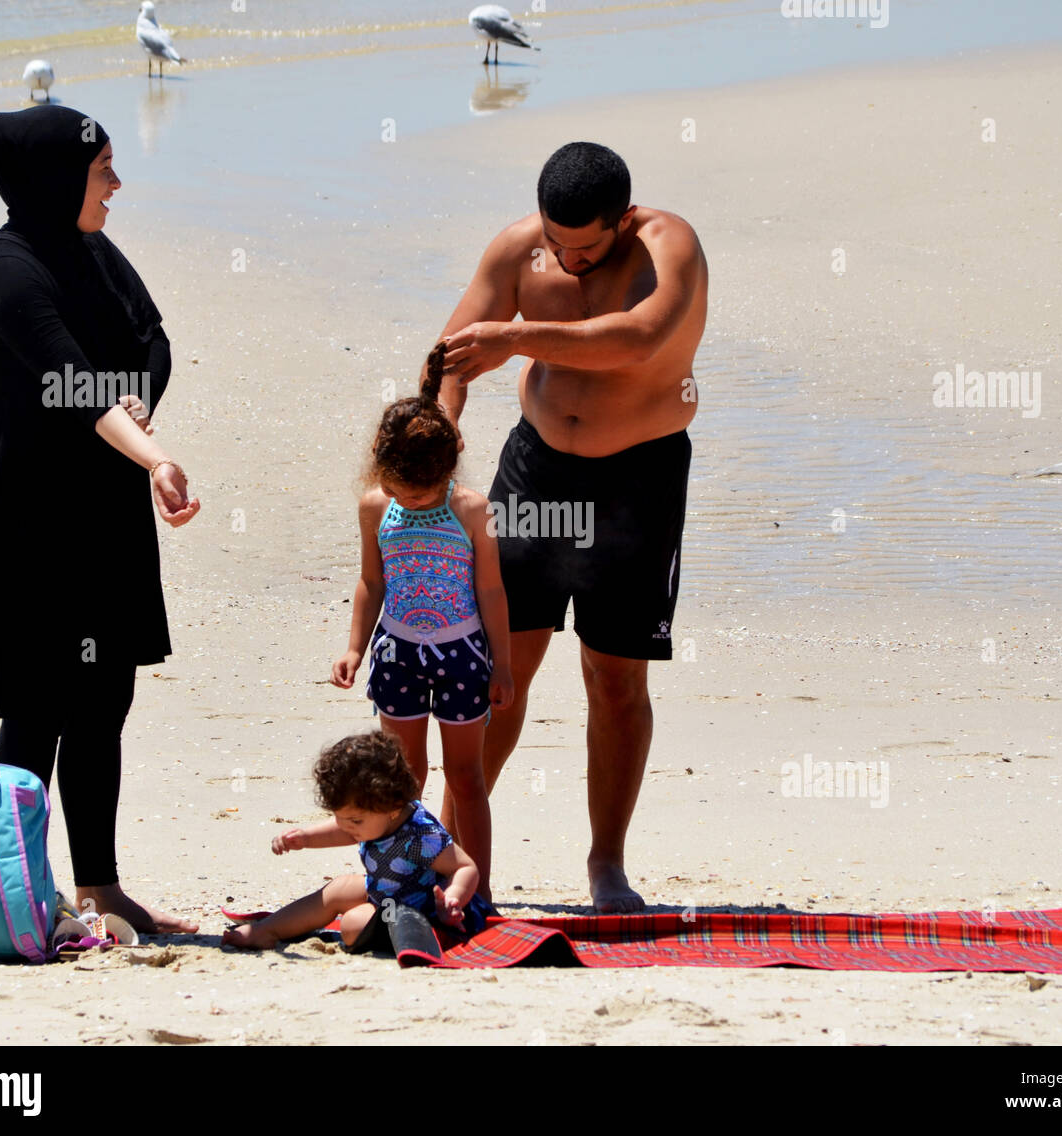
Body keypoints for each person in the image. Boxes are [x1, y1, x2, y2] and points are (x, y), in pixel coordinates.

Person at [0, 105, 200, 935]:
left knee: (105, 700)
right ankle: (13, 891)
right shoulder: (7, 273)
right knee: (39, 707)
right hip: (34, 521)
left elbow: (151, 336)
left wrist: (142, 404)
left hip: (104, 513)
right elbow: (72, 384)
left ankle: (99, 886)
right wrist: (154, 458)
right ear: (57, 179)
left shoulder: (90, 249)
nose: (117, 185)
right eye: (103, 172)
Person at [431, 141, 708, 913]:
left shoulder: (668, 245)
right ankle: (452, 858)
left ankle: (607, 866)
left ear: (622, 220)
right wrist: (441, 448)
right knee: (498, 673)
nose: (568, 259)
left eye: (585, 247)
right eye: (558, 243)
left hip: (639, 480)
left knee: (614, 678)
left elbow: (640, 339)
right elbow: (450, 360)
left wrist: (515, 338)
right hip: (538, 473)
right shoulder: (521, 250)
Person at [331, 342, 513, 899]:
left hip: (462, 655)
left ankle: (475, 890)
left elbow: (491, 589)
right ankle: (402, 884)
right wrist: (355, 646)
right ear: (380, 471)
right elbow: (372, 581)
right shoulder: (374, 507)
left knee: (467, 779)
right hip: (397, 654)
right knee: (404, 781)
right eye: (397, 490)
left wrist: (503, 666)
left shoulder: (473, 510)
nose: (407, 501)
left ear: (449, 471)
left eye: (421, 493)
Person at [221, 731, 491, 950]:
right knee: (338, 889)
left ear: (393, 807)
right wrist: (304, 838)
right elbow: (342, 830)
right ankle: (266, 930)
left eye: (355, 821)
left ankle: (403, 933)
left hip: (422, 915)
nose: (347, 827)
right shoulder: (378, 816)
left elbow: (464, 867)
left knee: (352, 925)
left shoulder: (421, 835)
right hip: (388, 894)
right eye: (340, 817)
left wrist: (453, 899)